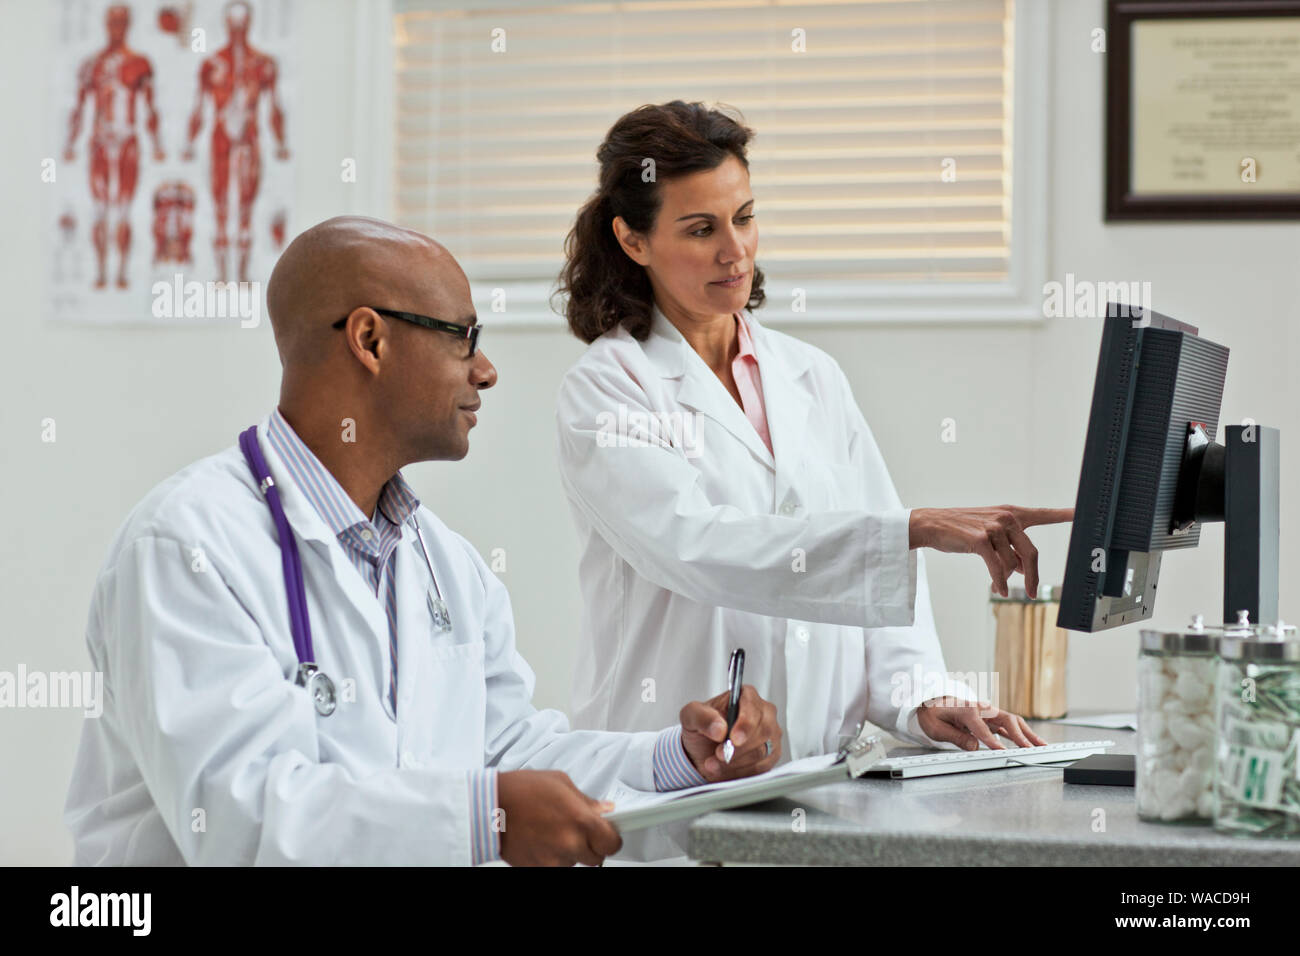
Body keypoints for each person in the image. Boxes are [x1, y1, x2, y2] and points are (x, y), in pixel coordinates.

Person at [63, 215, 782, 867]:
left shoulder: (443, 562)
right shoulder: (187, 544)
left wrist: (679, 760)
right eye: (463, 337)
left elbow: (508, 752)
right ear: (370, 340)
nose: (486, 371)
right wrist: (485, 820)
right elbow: (239, 822)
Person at [554, 101, 1070, 760]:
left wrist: (922, 695)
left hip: (818, 775)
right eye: (700, 229)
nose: (734, 250)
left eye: (744, 218)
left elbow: (881, 575)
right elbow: (696, 549)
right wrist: (910, 528)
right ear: (633, 241)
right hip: (670, 773)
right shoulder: (609, 388)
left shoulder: (811, 376)